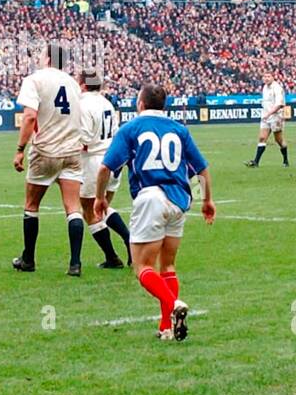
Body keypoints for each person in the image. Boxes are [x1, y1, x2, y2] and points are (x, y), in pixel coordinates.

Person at [97, 83, 215, 341]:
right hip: (179, 201)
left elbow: (105, 168)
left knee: (142, 267)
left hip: (150, 197)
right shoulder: (179, 130)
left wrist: (99, 199)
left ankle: (173, 304)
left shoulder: (131, 128)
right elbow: (202, 169)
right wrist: (207, 201)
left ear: (140, 104)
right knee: (168, 265)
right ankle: (166, 328)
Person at [12, 42, 86, 276]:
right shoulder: (74, 84)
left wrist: (20, 148)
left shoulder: (35, 80)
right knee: (73, 208)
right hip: (72, 151)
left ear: (47, 59)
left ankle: (29, 259)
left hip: (45, 150)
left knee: (32, 205)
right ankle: (75, 263)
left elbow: (30, 117)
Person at [77, 69, 128, 269]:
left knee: (90, 211)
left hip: (94, 162)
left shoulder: (83, 105)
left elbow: (85, 139)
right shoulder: (106, 103)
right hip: (113, 160)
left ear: (82, 85)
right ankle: (127, 239)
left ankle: (112, 256)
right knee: (103, 206)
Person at [246, 70, 288, 168]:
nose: (266, 78)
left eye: (268, 76)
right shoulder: (265, 87)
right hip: (266, 116)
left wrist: (269, 114)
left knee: (279, 140)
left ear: (273, 77)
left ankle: (285, 160)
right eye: (265, 76)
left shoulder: (277, 88)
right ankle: (256, 162)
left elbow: (279, 105)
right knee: (262, 138)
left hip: (276, 116)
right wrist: (266, 114)